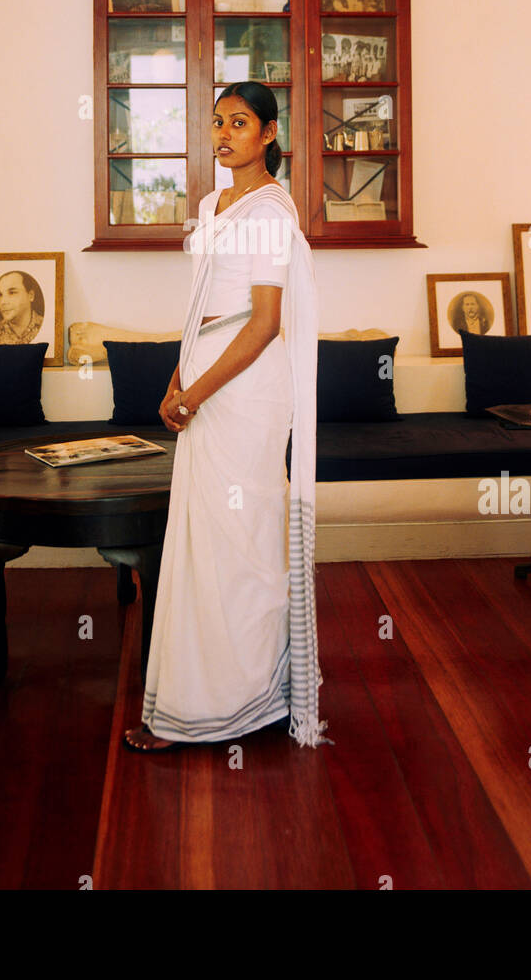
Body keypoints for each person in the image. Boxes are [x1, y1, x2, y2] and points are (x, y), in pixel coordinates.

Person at [123, 80, 328, 753]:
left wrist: (201, 389)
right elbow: (200, 304)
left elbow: (265, 322)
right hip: (206, 369)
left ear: (269, 134)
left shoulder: (272, 211)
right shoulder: (212, 205)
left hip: (246, 385)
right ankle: (196, 697)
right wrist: (176, 381)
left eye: (239, 123)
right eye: (216, 122)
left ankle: (241, 699)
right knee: (199, 539)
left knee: (240, 538)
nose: (223, 134)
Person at [0, 270, 43, 344]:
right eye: (0, 294)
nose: (3, 302)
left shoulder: (45, 327)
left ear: (31, 295)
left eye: (12, 293)